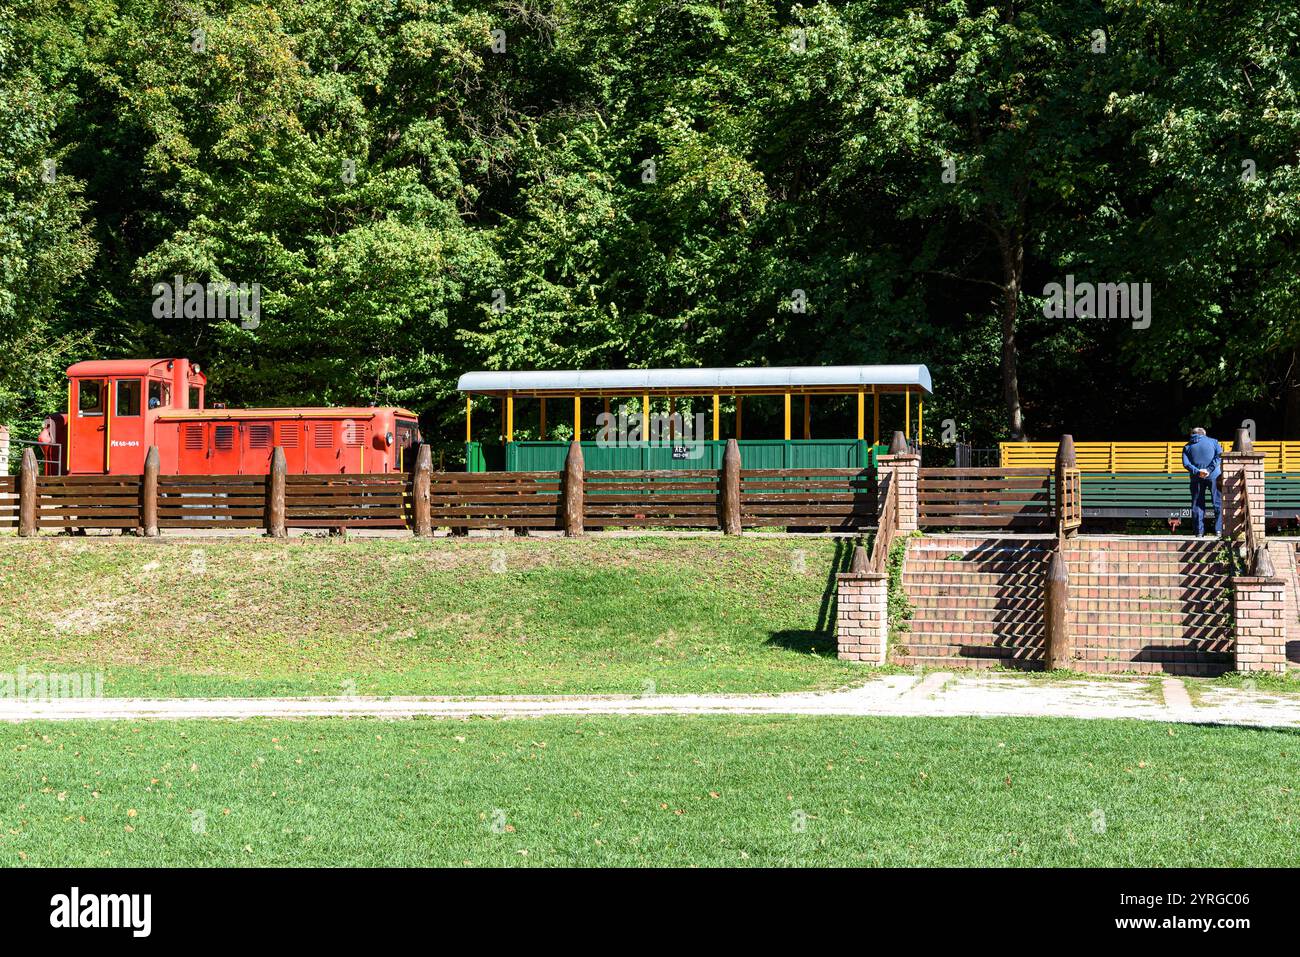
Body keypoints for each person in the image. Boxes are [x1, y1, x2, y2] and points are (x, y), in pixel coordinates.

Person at [1181, 427, 1222, 537]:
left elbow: (1186, 464)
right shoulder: (1213, 442)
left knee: (1198, 504)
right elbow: (1219, 456)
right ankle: (1219, 530)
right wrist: (1209, 470)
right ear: (1204, 434)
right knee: (1217, 502)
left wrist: (1197, 471)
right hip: (1214, 476)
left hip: (1196, 478)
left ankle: (1199, 532)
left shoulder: (1187, 446)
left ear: (1192, 434)